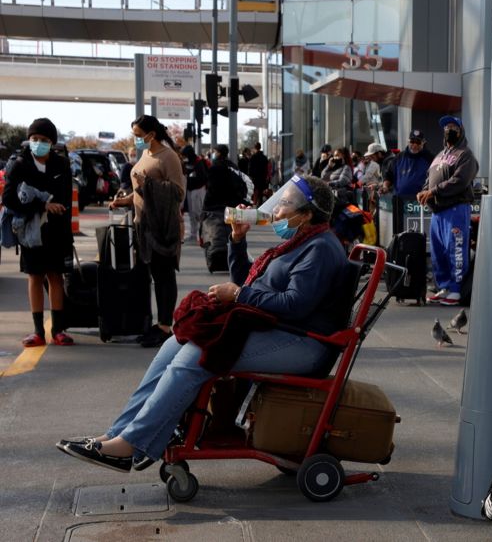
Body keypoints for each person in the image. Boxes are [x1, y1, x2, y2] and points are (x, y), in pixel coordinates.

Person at [57, 176, 349, 472]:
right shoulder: (299, 243)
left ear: (307, 214)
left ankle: (132, 443)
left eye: (284, 204)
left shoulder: (319, 248)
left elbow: (294, 305)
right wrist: (237, 241)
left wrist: (238, 295)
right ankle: (119, 434)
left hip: (304, 343)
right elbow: (249, 281)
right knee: (176, 343)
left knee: (198, 354)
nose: (276, 211)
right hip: (281, 330)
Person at [109, 115, 186, 349]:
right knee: (147, 275)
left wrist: (148, 186)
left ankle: (164, 326)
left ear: (152, 135)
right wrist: (125, 201)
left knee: (164, 275)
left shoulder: (168, 156)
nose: (136, 140)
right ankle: (150, 322)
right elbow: (140, 189)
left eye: (139, 136)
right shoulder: (145, 155)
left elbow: (177, 193)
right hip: (143, 224)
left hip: (163, 225)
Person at [1, 117, 75, 347]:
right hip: (30, 232)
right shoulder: (19, 164)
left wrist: (61, 219)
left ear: (52, 142)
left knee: (55, 277)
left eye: (43, 140)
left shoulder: (61, 164)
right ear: (28, 140)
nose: (38, 143)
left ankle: (58, 330)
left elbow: (65, 196)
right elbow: (9, 198)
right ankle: (37, 331)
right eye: (34, 139)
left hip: (57, 230)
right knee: (35, 277)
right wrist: (41, 205)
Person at [418, 116, 479, 306]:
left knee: (456, 249)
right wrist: (424, 191)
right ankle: (444, 286)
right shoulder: (439, 155)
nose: (449, 130)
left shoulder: (465, 154)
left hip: (456, 209)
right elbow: (429, 177)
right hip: (438, 211)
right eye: (446, 127)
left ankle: (456, 289)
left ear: (461, 130)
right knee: (438, 251)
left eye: (453, 126)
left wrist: (433, 191)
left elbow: (460, 181)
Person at [383, 130, 434, 199]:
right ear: (408, 142)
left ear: (423, 143)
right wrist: (385, 187)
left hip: (420, 202)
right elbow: (388, 175)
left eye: (418, 142)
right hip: (399, 201)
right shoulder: (398, 157)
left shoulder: (430, 158)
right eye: (412, 141)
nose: (415, 145)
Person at [203, 145, 249, 213]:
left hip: (216, 205)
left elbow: (211, 186)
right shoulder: (233, 166)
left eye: (215, 152)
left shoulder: (214, 167)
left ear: (219, 153)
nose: (214, 154)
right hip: (232, 203)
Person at [181, 145, 209, 247]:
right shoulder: (186, 163)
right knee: (192, 214)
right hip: (189, 190)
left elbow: (203, 177)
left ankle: (203, 235)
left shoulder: (199, 162)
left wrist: (192, 177)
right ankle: (193, 235)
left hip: (198, 190)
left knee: (199, 213)